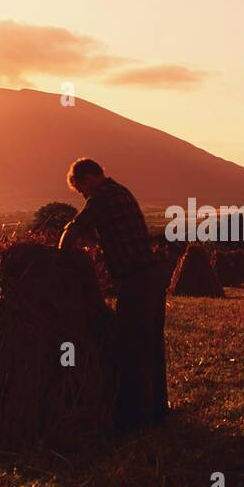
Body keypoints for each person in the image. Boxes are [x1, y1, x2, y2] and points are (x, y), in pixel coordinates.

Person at [58, 157, 168, 430]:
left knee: (132, 345)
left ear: (89, 177)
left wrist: (58, 258)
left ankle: (135, 418)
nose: (84, 195)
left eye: (81, 189)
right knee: (151, 344)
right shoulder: (120, 192)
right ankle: (156, 411)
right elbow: (114, 232)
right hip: (152, 276)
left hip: (137, 280)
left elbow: (72, 231)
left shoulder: (102, 198)